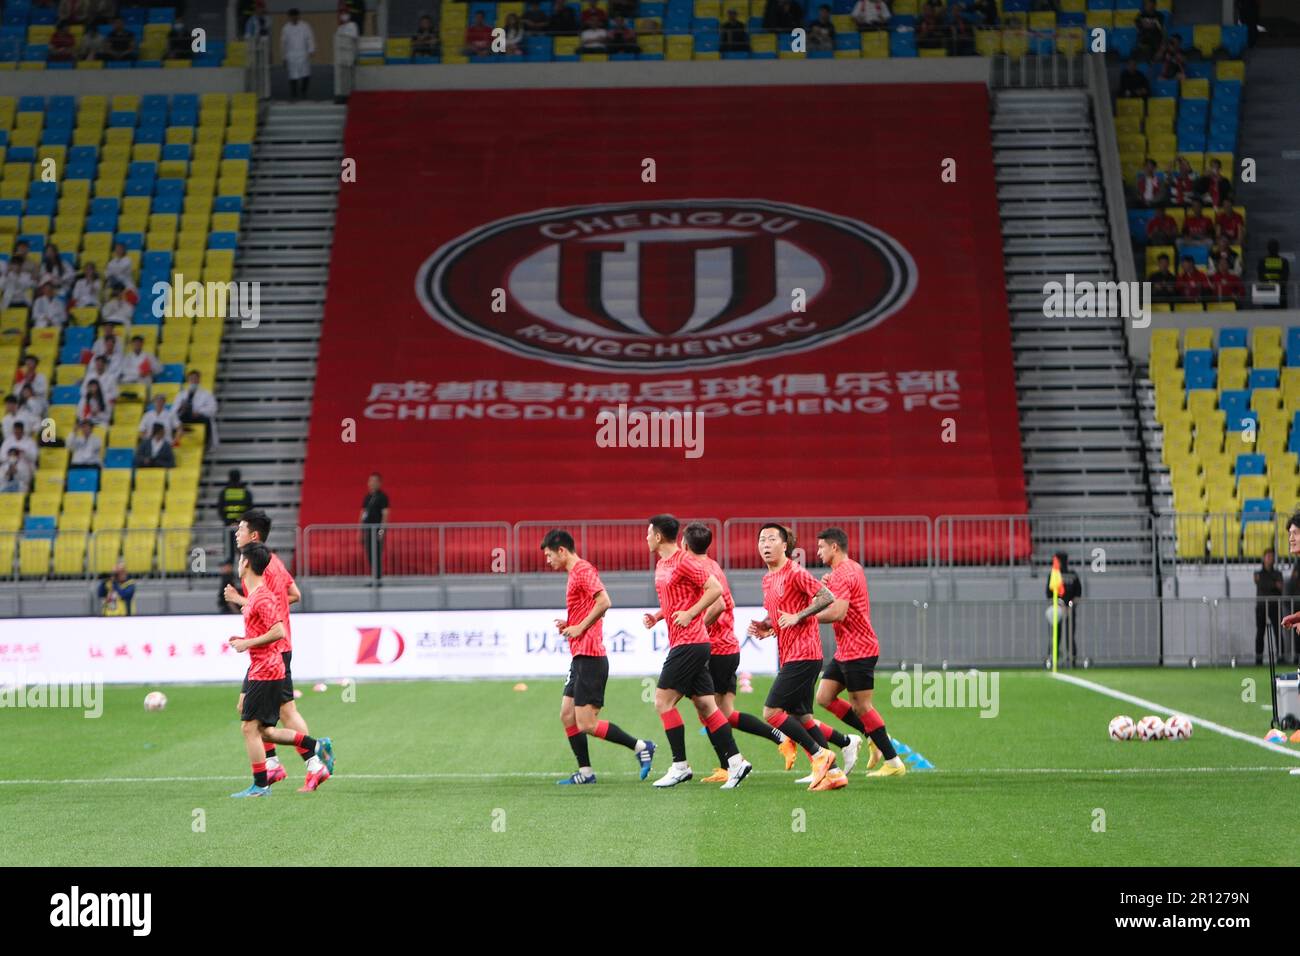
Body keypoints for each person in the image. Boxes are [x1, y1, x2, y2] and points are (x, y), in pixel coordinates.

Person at [642, 514, 752, 790]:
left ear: (657, 536)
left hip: (690, 643)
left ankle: (680, 766)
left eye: (648, 533)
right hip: (688, 641)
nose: (645, 538)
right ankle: (737, 763)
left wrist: (691, 614)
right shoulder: (663, 564)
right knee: (706, 705)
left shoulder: (684, 560)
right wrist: (658, 617)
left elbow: (714, 590)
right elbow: (676, 599)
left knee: (662, 701)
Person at [541, 528, 656, 785]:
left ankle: (641, 746)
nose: (548, 561)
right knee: (567, 715)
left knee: (586, 723)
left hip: (591, 656)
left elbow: (604, 601)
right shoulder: (574, 573)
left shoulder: (583, 570)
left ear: (562, 550)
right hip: (579, 656)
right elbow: (587, 608)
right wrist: (570, 622)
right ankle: (585, 772)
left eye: (549, 555)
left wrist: (580, 627)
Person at [682, 522, 795, 782]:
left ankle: (733, 763)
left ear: (685, 545)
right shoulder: (710, 566)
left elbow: (719, 604)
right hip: (723, 647)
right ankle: (743, 757)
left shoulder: (702, 568)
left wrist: (696, 625)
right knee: (722, 713)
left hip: (717, 648)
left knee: (708, 711)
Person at [222, 510, 322, 789]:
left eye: (240, 529)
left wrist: (245, 603)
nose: (236, 533)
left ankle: (314, 760)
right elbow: (293, 595)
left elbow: (268, 606)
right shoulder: (271, 561)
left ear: (253, 536)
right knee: (254, 712)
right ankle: (274, 765)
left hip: (273, 651)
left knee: (283, 713)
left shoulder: (263, 568)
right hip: (268, 650)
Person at [745, 523, 841, 790]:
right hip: (790, 654)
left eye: (771, 539)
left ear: (784, 545)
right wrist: (768, 625)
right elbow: (780, 612)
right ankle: (834, 774)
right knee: (801, 717)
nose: (765, 544)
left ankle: (821, 755)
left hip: (805, 653)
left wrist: (799, 616)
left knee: (772, 711)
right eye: (761, 539)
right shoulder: (768, 578)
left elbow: (827, 596)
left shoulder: (794, 572)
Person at [814, 527, 906, 779]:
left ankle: (893, 761)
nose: (817, 551)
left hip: (859, 649)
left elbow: (838, 613)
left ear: (834, 547)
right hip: (847, 649)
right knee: (824, 697)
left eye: (821, 546)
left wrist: (805, 619)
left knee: (862, 706)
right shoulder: (851, 568)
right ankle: (873, 736)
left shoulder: (842, 574)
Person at [1045, 551, 1082, 665]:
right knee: (1056, 636)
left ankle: (1072, 659)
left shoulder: (1073, 575)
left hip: (1070, 610)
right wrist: (1060, 605)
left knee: (1070, 636)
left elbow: (1078, 594)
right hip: (1057, 610)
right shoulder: (1054, 575)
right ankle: (1053, 659)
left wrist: (1070, 605)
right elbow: (1049, 594)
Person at [172, 368, 218, 445]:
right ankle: (176, 442)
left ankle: (206, 444)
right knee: (172, 419)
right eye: (191, 379)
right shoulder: (181, 394)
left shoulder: (206, 394)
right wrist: (180, 409)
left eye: (195, 379)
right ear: (188, 380)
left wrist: (199, 412)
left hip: (199, 417)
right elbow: (173, 410)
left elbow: (213, 408)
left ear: (199, 380)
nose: (193, 381)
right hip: (184, 417)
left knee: (206, 420)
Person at [216, 468, 254, 561]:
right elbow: (250, 510)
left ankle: (228, 575)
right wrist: (240, 523)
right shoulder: (246, 492)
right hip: (243, 528)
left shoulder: (224, 493)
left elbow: (220, 510)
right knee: (244, 555)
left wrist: (229, 523)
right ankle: (244, 575)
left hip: (228, 528)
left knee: (228, 555)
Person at [1255, 548, 1283, 667]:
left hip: (1274, 605)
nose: (1270, 558)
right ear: (1264, 558)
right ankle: (1258, 659)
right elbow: (1260, 584)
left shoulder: (1278, 573)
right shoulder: (1257, 574)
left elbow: (1280, 587)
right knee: (1260, 632)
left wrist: (1267, 583)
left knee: (1278, 632)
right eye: (1268, 556)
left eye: (1271, 556)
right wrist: (1273, 584)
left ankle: (1281, 658)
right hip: (1261, 606)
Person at [281, 8, 315, 100]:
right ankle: (294, 93)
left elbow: (310, 38)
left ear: (298, 16)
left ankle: (304, 91)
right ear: (289, 17)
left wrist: (311, 50)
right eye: (292, 17)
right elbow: (283, 44)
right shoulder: (286, 28)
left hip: (303, 54)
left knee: (306, 74)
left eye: (296, 16)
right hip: (291, 55)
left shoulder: (305, 26)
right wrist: (283, 57)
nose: (294, 18)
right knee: (293, 75)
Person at [360, 471, 389, 579]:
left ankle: (377, 577)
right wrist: (361, 530)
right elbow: (363, 513)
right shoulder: (367, 497)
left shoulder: (383, 497)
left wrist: (381, 531)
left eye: (374, 481)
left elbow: (385, 515)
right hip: (367, 530)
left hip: (377, 531)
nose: (372, 483)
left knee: (376, 554)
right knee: (370, 554)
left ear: (379, 483)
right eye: (370, 481)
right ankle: (374, 576)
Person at [333, 10, 360, 103]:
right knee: (342, 78)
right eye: (341, 14)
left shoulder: (353, 25)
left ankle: (350, 96)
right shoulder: (340, 27)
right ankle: (343, 96)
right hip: (341, 57)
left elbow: (353, 38)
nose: (343, 16)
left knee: (349, 78)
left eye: (344, 14)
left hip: (349, 56)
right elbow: (337, 39)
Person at [1258, 239, 1290, 308]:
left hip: (1270, 291)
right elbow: (1285, 277)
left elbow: (1261, 277)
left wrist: (1270, 282)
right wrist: (1276, 283)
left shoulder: (1262, 261)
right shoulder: (1284, 261)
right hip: (1276, 292)